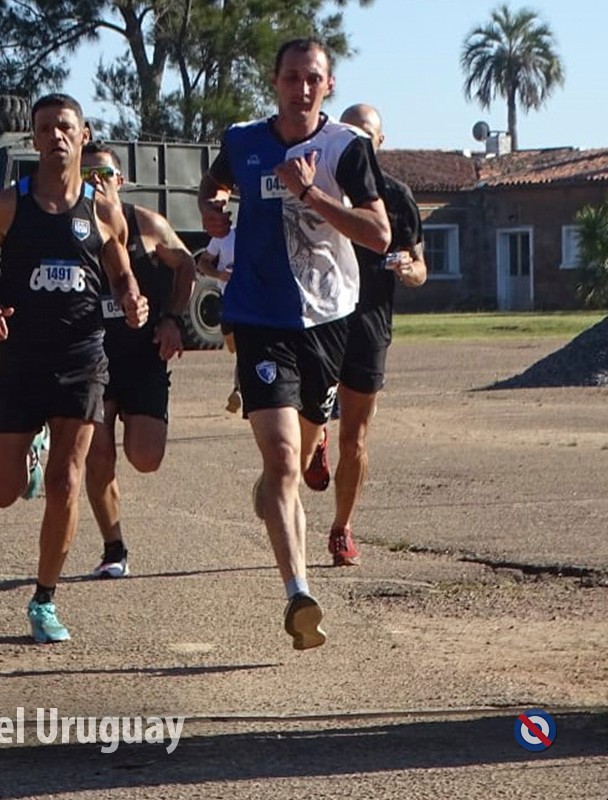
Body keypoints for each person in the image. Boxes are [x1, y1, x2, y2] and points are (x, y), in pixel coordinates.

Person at [198, 38, 391, 650]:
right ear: (274, 82)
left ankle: (283, 475)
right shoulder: (242, 140)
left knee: (302, 453)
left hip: (328, 321)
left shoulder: (345, 150)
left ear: (327, 86)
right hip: (259, 317)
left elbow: (380, 235)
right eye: (290, 78)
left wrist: (310, 193)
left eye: (312, 79)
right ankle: (298, 595)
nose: (301, 89)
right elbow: (213, 188)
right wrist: (213, 211)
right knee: (284, 460)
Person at [0, 94, 148, 642]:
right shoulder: (7, 205)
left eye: (66, 127)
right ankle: (30, 446)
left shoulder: (103, 211)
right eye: (46, 128)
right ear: (34, 139)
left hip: (82, 358)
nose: (56, 136)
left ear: (83, 136)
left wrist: (133, 299)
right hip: (22, 359)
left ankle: (44, 599)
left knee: (68, 480)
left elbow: (122, 275)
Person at [78, 143, 195, 579]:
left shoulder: (146, 224)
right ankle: (114, 548)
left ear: (120, 180)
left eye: (102, 175)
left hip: (143, 357)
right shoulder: (72, 228)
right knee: (99, 454)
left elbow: (186, 266)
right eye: (85, 175)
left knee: (145, 457)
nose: (95, 183)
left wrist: (172, 319)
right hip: (92, 358)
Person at [319, 103, 427, 567]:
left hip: (369, 324)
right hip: (320, 319)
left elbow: (421, 268)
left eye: (368, 135)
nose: (359, 142)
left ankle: (342, 528)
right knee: (306, 427)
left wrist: (408, 268)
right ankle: (313, 443)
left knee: (356, 438)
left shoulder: (398, 197)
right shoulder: (322, 189)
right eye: (351, 133)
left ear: (380, 143)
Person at [196, 230, 240, 413]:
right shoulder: (224, 235)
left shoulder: (258, 232)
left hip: (251, 298)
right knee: (233, 346)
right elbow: (203, 263)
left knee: (246, 347)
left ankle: (238, 389)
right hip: (228, 297)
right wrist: (219, 274)